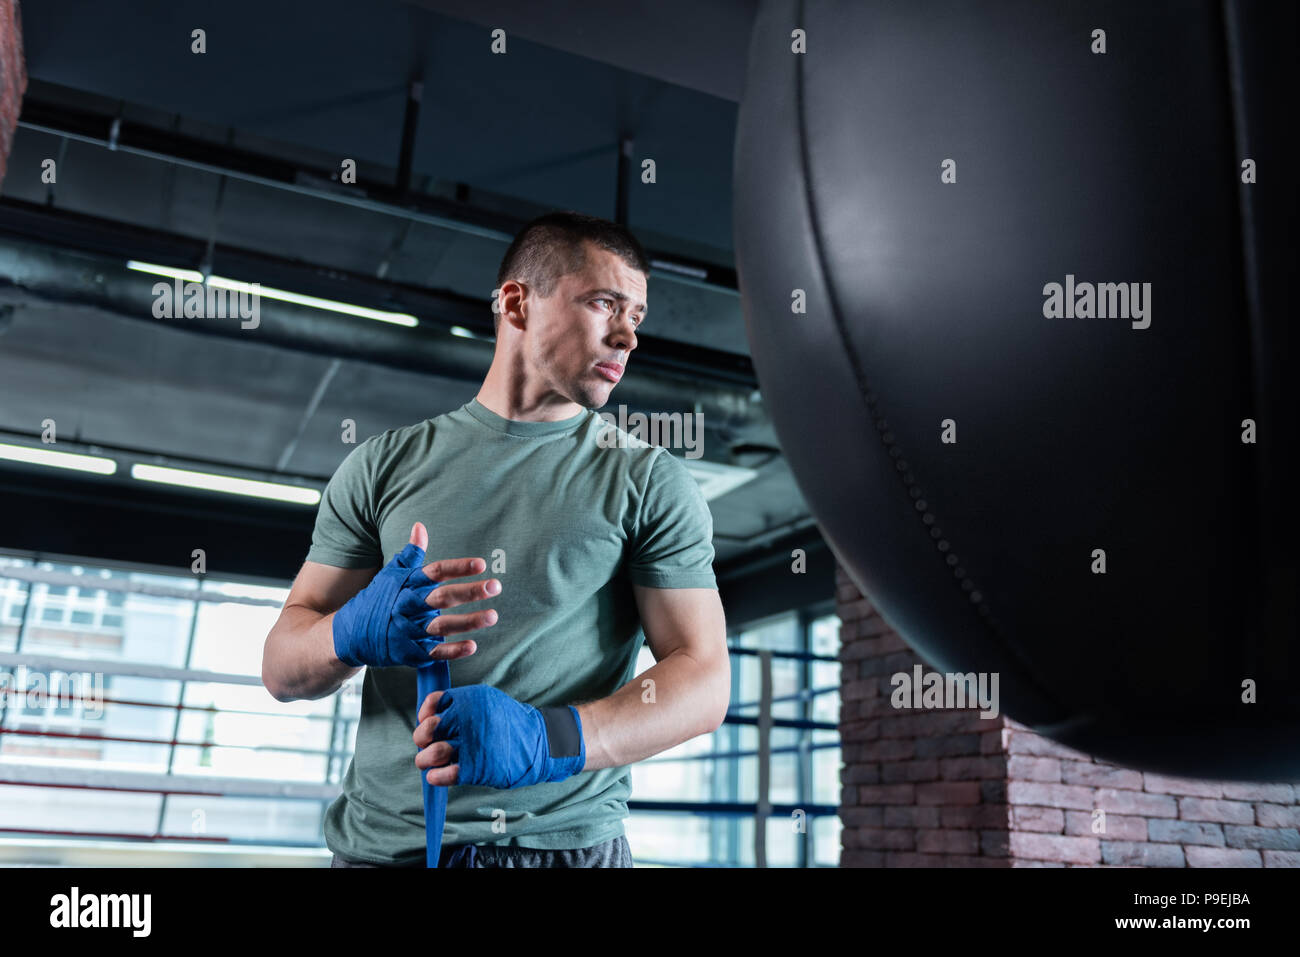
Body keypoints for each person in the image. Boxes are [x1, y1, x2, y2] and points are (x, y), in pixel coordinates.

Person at [261, 210, 730, 868]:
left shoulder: (648, 480)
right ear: (517, 303)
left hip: (563, 848)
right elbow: (281, 668)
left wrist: (550, 737)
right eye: (605, 303)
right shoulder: (381, 465)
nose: (627, 335)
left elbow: (704, 679)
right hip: (387, 849)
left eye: (638, 316)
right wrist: (345, 634)